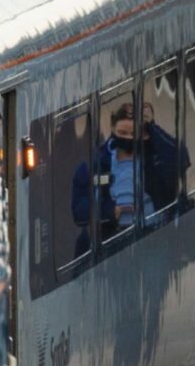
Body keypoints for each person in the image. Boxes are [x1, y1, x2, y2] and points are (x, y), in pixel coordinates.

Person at [70, 102, 188, 254]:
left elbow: (181, 160)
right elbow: (79, 210)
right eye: (123, 133)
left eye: (133, 134)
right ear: (113, 129)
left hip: (152, 237)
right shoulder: (96, 164)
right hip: (112, 241)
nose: (128, 139)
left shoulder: (154, 158)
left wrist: (152, 127)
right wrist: (110, 210)